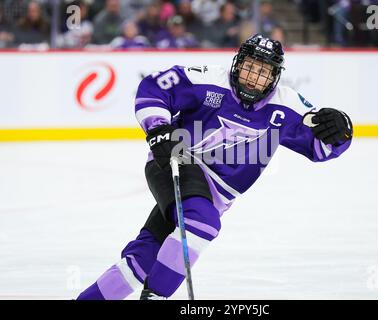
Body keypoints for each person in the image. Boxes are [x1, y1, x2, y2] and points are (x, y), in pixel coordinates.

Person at [76, 34, 353, 300]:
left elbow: (322, 148)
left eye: (263, 72)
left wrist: (342, 132)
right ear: (238, 62)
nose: (253, 77)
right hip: (176, 159)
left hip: (212, 195)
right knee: (202, 221)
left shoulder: (287, 106)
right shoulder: (207, 80)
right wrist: (159, 129)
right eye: (250, 67)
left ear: (274, 76)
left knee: (140, 264)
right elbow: (154, 87)